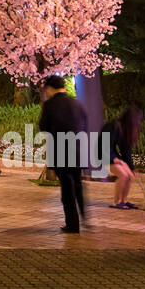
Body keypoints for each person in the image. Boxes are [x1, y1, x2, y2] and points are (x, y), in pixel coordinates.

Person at [39, 75, 88, 233]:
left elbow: (44, 128)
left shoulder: (49, 105)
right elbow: (85, 127)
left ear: (50, 88)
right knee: (78, 184)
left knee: (67, 189)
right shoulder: (77, 103)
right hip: (79, 150)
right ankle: (84, 215)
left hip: (61, 151)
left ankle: (73, 225)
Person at [107, 105, 142, 209]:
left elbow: (126, 150)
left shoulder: (125, 130)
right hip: (104, 154)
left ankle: (124, 200)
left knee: (129, 175)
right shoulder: (113, 126)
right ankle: (117, 202)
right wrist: (113, 159)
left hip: (113, 154)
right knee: (123, 175)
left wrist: (132, 168)